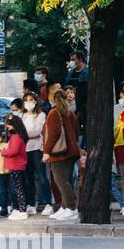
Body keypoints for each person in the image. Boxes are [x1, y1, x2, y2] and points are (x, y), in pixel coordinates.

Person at [44, 89, 81, 221]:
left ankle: (71, 208)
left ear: (53, 99)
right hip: (72, 151)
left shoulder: (54, 112)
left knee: (61, 181)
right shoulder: (70, 112)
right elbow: (77, 132)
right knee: (68, 180)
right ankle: (65, 207)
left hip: (59, 153)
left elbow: (53, 134)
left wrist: (46, 151)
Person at [21, 93, 49, 214]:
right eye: (26, 100)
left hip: (37, 148)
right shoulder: (22, 116)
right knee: (28, 178)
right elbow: (18, 130)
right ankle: (31, 204)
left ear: (36, 101)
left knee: (42, 177)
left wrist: (24, 134)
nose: (28, 103)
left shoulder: (41, 115)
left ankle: (47, 203)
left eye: (31, 100)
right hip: (25, 149)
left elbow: (37, 131)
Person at [0, 114, 30, 220]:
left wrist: (3, 152)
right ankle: (19, 209)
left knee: (18, 188)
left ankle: (22, 210)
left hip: (16, 165)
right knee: (18, 187)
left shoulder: (16, 137)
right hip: (16, 165)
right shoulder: (17, 136)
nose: (7, 127)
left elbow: (13, 151)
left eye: (9, 125)